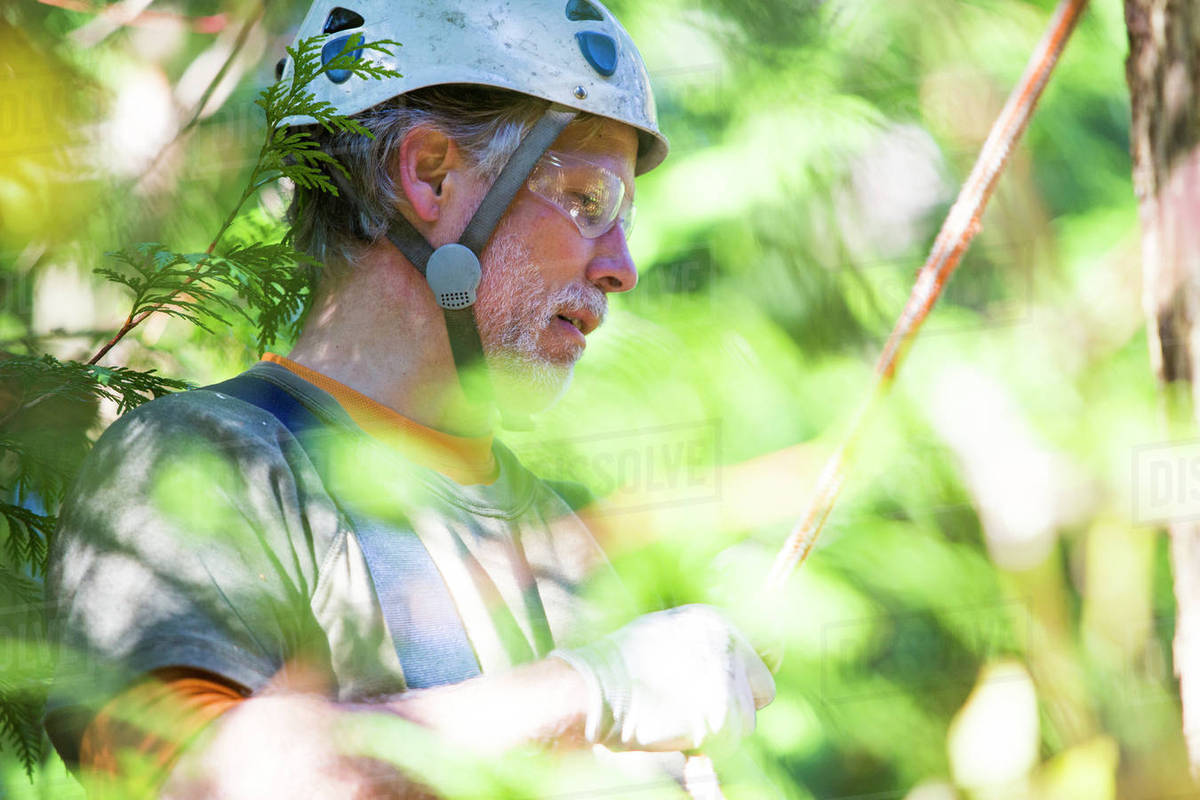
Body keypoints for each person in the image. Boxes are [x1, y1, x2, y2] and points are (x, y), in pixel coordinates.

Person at [44, 0, 775, 796]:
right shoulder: (200, 462)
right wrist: (582, 696)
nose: (622, 266)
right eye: (589, 201)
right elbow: (195, 779)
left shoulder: (567, 538)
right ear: (429, 176)